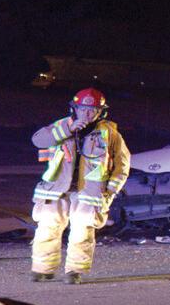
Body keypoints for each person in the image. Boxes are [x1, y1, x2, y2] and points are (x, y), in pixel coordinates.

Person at [30, 88, 131, 284]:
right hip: (57, 190)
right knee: (47, 228)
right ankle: (42, 269)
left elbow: (122, 165)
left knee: (82, 231)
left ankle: (74, 272)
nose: (88, 113)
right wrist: (70, 129)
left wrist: (110, 191)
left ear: (100, 112)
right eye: (83, 109)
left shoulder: (110, 134)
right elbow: (38, 140)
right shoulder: (62, 126)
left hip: (88, 192)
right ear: (75, 109)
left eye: (93, 110)